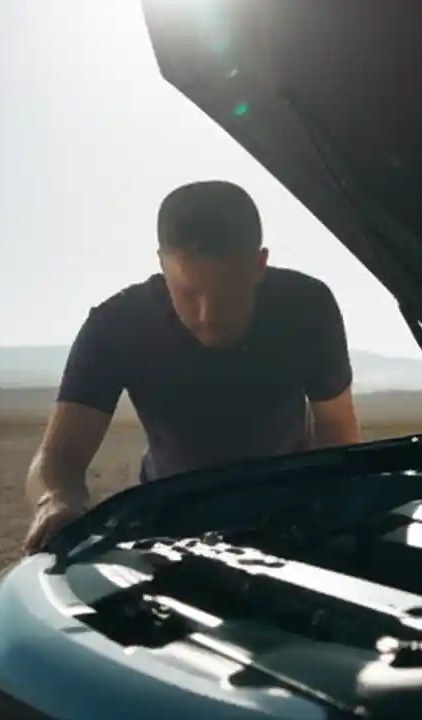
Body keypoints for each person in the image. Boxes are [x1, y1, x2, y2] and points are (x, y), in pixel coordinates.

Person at [22, 180, 363, 553]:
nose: (207, 315)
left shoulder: (308, 308)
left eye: (227, 293)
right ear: (161, 265)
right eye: (187, 292)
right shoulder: (118, 324)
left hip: (288, 517)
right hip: (172, 525)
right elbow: (58, 457)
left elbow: (337, 430)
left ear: (259, 264)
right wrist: (54, 500)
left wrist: (335, 517)